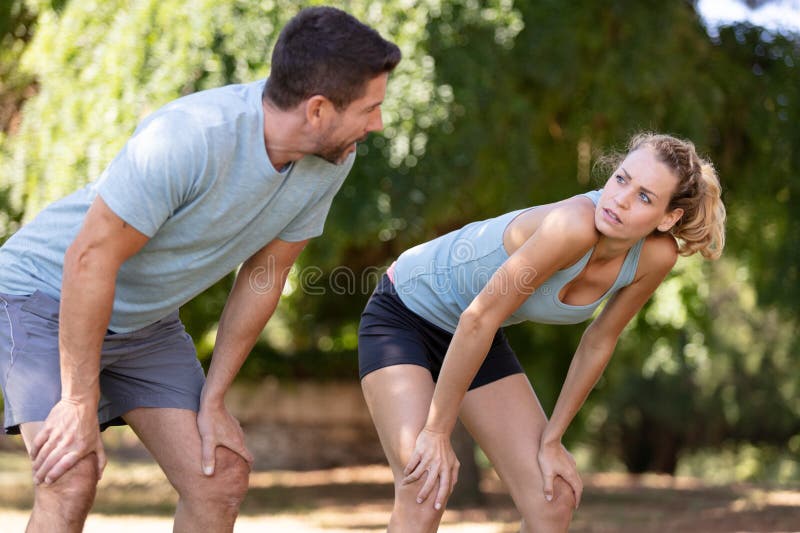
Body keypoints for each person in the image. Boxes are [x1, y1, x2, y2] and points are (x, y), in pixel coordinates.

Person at [0, 6, 400, 532]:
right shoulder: (188, 138)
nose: (377, 124)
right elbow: (90, 259)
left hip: (144, 322)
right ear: (318, 110)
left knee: (219, 476)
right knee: (70, 474)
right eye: (370, 109)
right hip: (43, 297)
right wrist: (78, 400)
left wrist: (214, 397)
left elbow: (265, 275)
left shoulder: (330, 160)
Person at [358, 132, 726, 532]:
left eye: (644, 197)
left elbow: (599, 341)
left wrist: (553, 438)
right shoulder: (572, 226)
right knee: (425, 486)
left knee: (553, 499)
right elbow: (478, 318)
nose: (620, 199)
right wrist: (436, 431)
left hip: (477, 334)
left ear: (668, 218)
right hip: (404, 313)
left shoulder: (656, 257)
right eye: (621, 179)